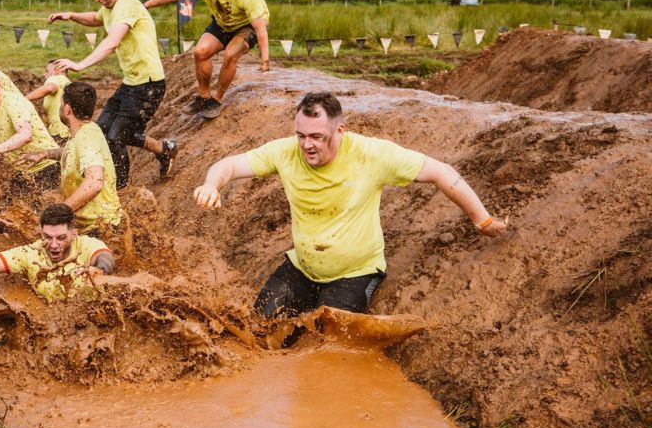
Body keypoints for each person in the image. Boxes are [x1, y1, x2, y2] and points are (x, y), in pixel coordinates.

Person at [193, 92, 508, 318]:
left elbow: (442, 173)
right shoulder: (286, 152)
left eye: (316, 136)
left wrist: (483, 221)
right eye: (301, 135)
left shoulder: (371, 155)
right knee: (260, 325)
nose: (307, 145)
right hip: (302, 268)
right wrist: (212, 184)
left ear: (339, 130)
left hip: (354, 272)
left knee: (329, 345)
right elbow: (230, 165)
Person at [47, 0, 178, 187]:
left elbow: (112, 41)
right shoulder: (111, 7)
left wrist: (80, 64)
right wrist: (71, 16)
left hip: (148, 84)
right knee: (102, 129)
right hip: (131, 82)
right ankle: (164, 149)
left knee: (117, 137)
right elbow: (96, 19)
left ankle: (121, 190)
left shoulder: (127, 4)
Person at [143, 0, 270, 120]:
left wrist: (265, 60)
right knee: (200, 52)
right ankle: (204, 98)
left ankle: (216, 101)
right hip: (223, 22)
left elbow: (260, 28)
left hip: (248, 26)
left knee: (230, 54)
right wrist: (146, 5)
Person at [0, 204, 115, 303]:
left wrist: (98, 270)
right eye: (48, 237)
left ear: (74, 234)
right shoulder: (30, 253)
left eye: (61, 238)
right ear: (41, 233)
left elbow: (106, 257)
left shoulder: (86, 244)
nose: (54, 245)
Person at [20, 81, 123, 234]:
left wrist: (60, 212)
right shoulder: (83, 132)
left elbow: (95, 183)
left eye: (60, 104)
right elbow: (74, 153)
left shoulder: (86, 137)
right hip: (89, 225)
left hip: (101, 228)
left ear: (67, 109)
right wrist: (45, 154)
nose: (60, 108)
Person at [24, 60, 72, 143]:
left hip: (60, 134)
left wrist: (23, 99)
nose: (44, 74)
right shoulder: (67, 83)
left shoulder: (56, 78)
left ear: (57, 71)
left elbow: (50, 88)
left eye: (47, 71)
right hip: (67, 132)